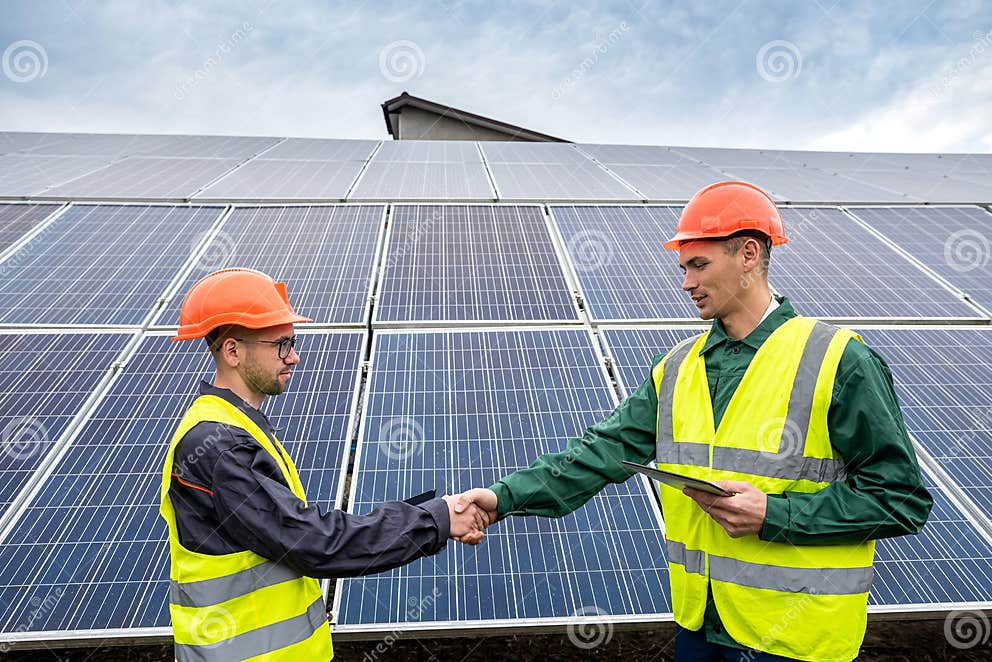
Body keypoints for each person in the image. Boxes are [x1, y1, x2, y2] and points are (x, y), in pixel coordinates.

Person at [454, 182, 933, 661]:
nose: (686, 283)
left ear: (749, 254)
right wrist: (503, 498)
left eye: (699, 265)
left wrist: (776, 515)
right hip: (700, 627)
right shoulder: (677, 367)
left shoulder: (839, 360)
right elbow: (602, 451)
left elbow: (899, 500)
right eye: (683, 268)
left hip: (792, 641)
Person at [160, 268, 488, 662]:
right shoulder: (221, 446)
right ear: (232, 351)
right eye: (281, 344)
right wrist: (435, 519)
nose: (294, 357)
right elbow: (314, 543)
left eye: (292, 343)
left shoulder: (235, 429)